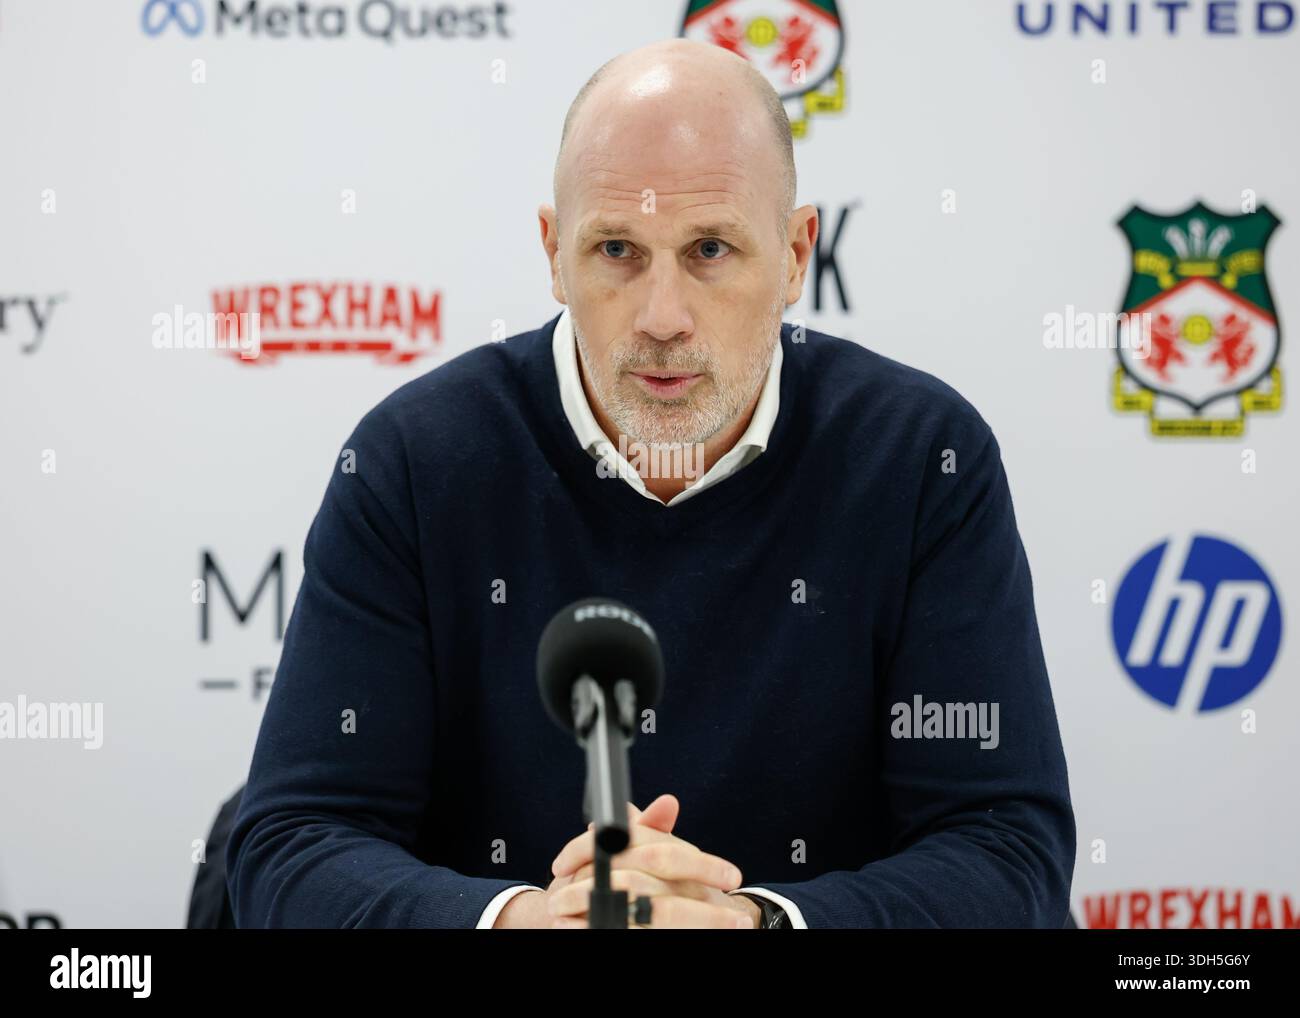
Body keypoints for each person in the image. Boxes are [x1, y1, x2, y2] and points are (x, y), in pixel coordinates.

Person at [226, 37, 1075, 930]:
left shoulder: (923, 458)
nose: (662, 319)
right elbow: (294, 845)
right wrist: (519, 924)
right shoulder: (413, 460)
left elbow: (1005, 851)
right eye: (618, 251)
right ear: (554, 254)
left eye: (709, 248)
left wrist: (758, 923)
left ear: (795, 255)